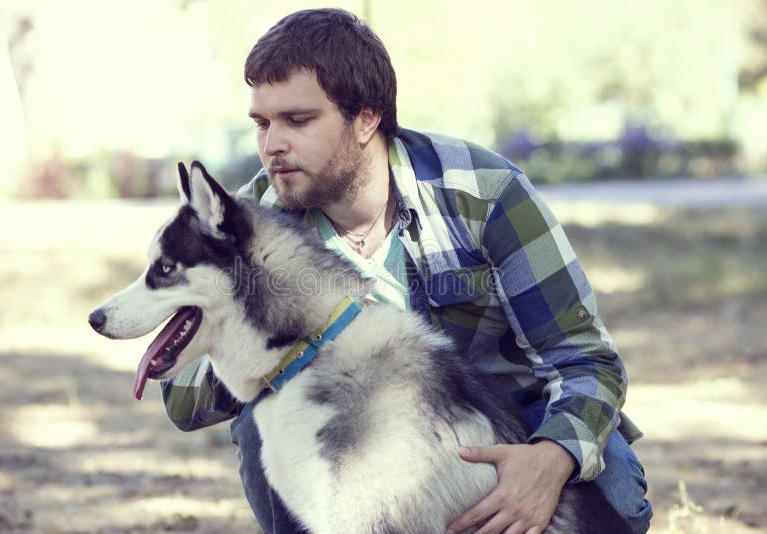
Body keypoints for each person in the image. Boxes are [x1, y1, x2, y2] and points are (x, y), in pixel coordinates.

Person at [161, 8, 652, 534]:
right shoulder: (248, 225)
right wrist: (260, 334)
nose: (272, 144)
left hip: (506, 422)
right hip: (360, 439)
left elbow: (586, 361)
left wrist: (549, 461)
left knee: (616, 491)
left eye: (298, 121)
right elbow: (183, 402)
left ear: (366, 118)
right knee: (267, 421)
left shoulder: (483, 193)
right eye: (262, 123)